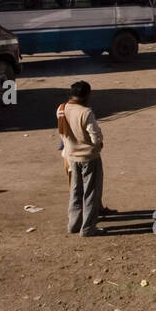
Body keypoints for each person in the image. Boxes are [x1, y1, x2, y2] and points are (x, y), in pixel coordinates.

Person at [56, 81, 104, 236]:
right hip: (88, 157)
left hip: (71, 157)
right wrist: (98, 146)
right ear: (87, 95)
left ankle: (73, 224)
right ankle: (88, 228)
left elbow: (62, 134)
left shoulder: (61, 109)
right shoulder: (86, 112)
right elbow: (96, 136)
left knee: (76, 191)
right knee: (90, 192)